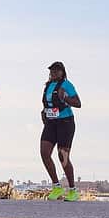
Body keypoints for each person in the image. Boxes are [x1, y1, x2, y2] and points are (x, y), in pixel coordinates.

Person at [40, 61, 82, 202]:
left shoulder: (67, 85)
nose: (54, 73)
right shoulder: (48, 86)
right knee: (44, 153)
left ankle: (72, 190)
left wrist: (65, 97)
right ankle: (56, 187)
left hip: (65, 123)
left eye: (57, 70)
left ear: (62, 72)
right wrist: (44, 112)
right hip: (51, 123)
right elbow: (48, 103)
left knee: (62, 156)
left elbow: (78, 103)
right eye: (52, 70)